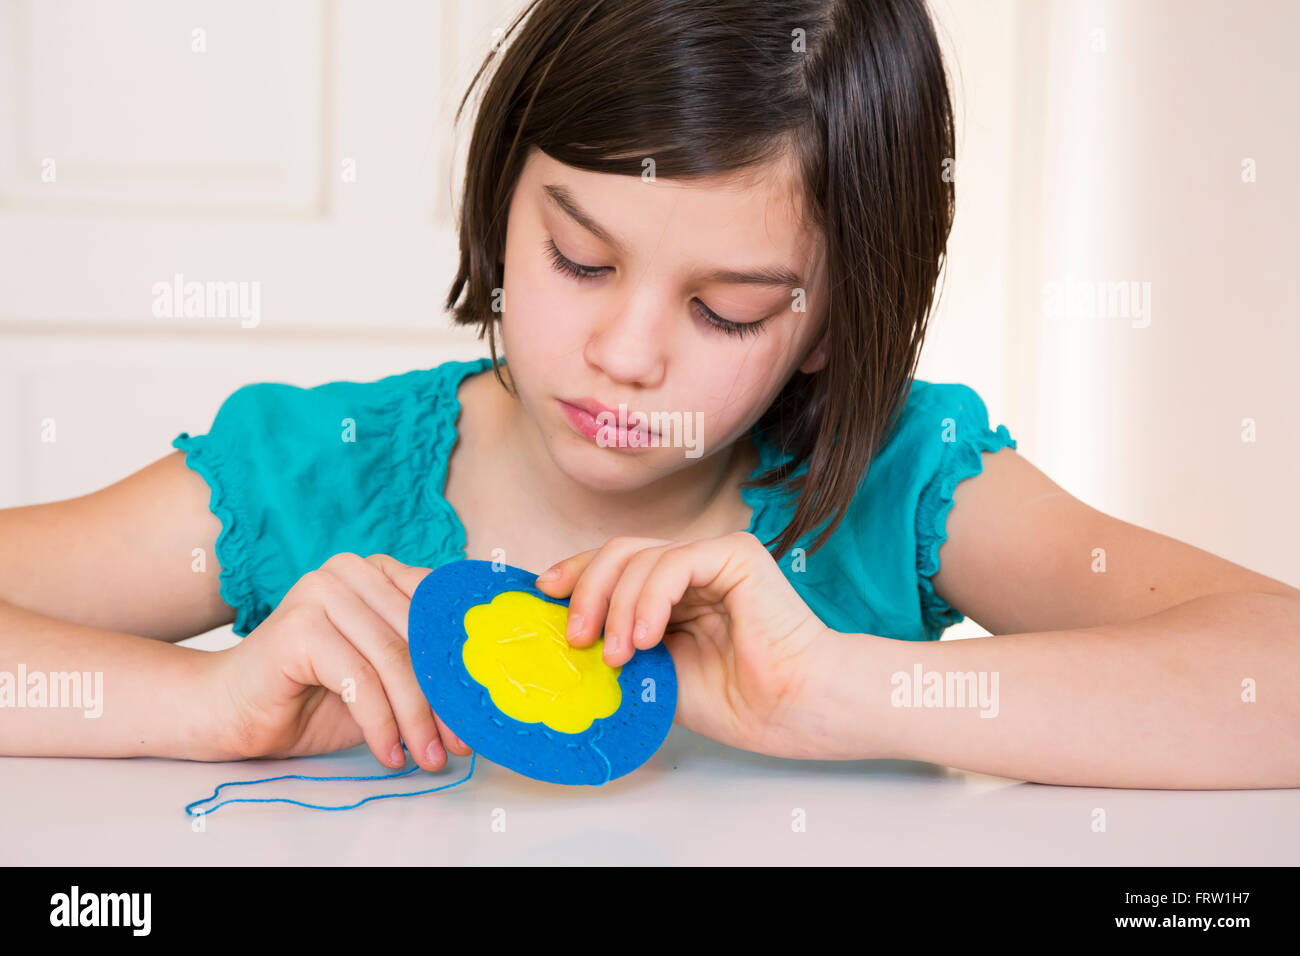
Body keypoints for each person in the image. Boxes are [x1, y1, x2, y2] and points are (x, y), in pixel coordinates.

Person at [3, 0, 1297, 789]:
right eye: (578, 257)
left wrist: (840, 693)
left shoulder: (904, 484)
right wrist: (204, 706)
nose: (626, 355)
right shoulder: (311, 471)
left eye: (727, 308)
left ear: (838, 319)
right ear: (503, 196)